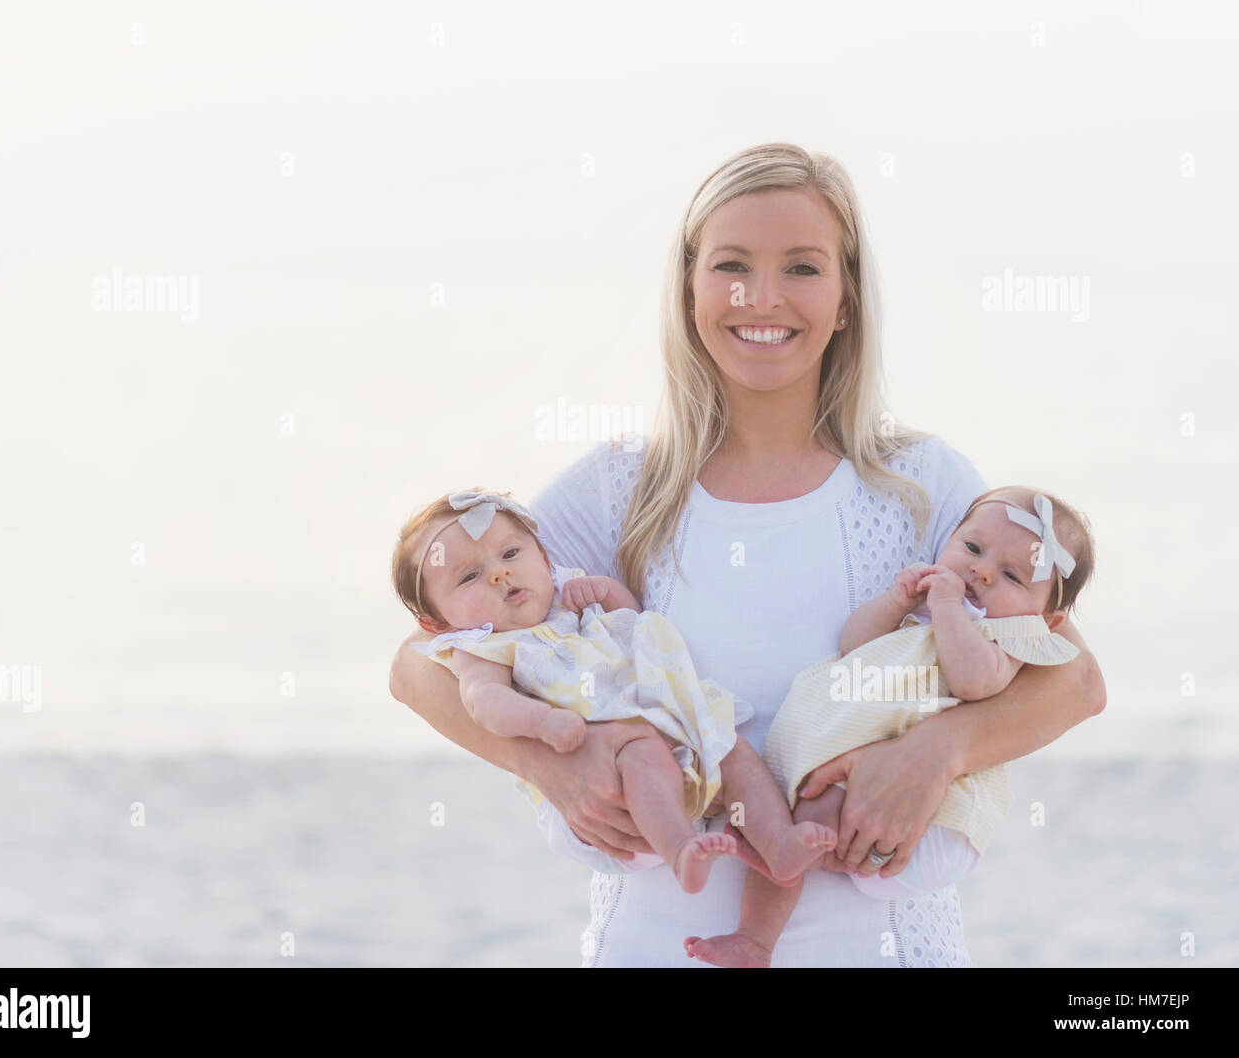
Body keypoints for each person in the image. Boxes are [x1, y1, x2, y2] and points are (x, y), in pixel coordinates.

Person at [389, 142, 1106, 966]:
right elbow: (415, 666)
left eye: (802, 267)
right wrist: (547, 762)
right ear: (690, 287)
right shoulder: (615, 490)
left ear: (846, 299)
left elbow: (1075, 680)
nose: (761, 298)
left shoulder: (924, 486)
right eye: (732, 265)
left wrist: (938, 752)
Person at [683, 485, 1095, 967]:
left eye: (1011, 575)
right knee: (790, 813)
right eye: (973, 548)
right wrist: (896, 604)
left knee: (810, 818)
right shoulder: (926, 610)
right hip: (858, 765)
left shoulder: (1008, 638)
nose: (981, 571)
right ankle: (754, 936)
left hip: (928, 820)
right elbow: (854, 644)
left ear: (1049, 618)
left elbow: (974, 681)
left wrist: (945, 609)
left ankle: (766, 899)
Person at [390, 489, 836, 894]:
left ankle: (778, 841)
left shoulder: (571, 602)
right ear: (436, 622)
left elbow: (636, 630)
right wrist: (542, 724)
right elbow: (484, 703)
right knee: (641, 752)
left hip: (670, 729)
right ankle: (681, 850)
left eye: (510, 553)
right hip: (607, 774)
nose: (499, 573)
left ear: (544, 558)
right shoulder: (481, 646)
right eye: (469, 576)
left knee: (731, 743)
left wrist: (610, 592)